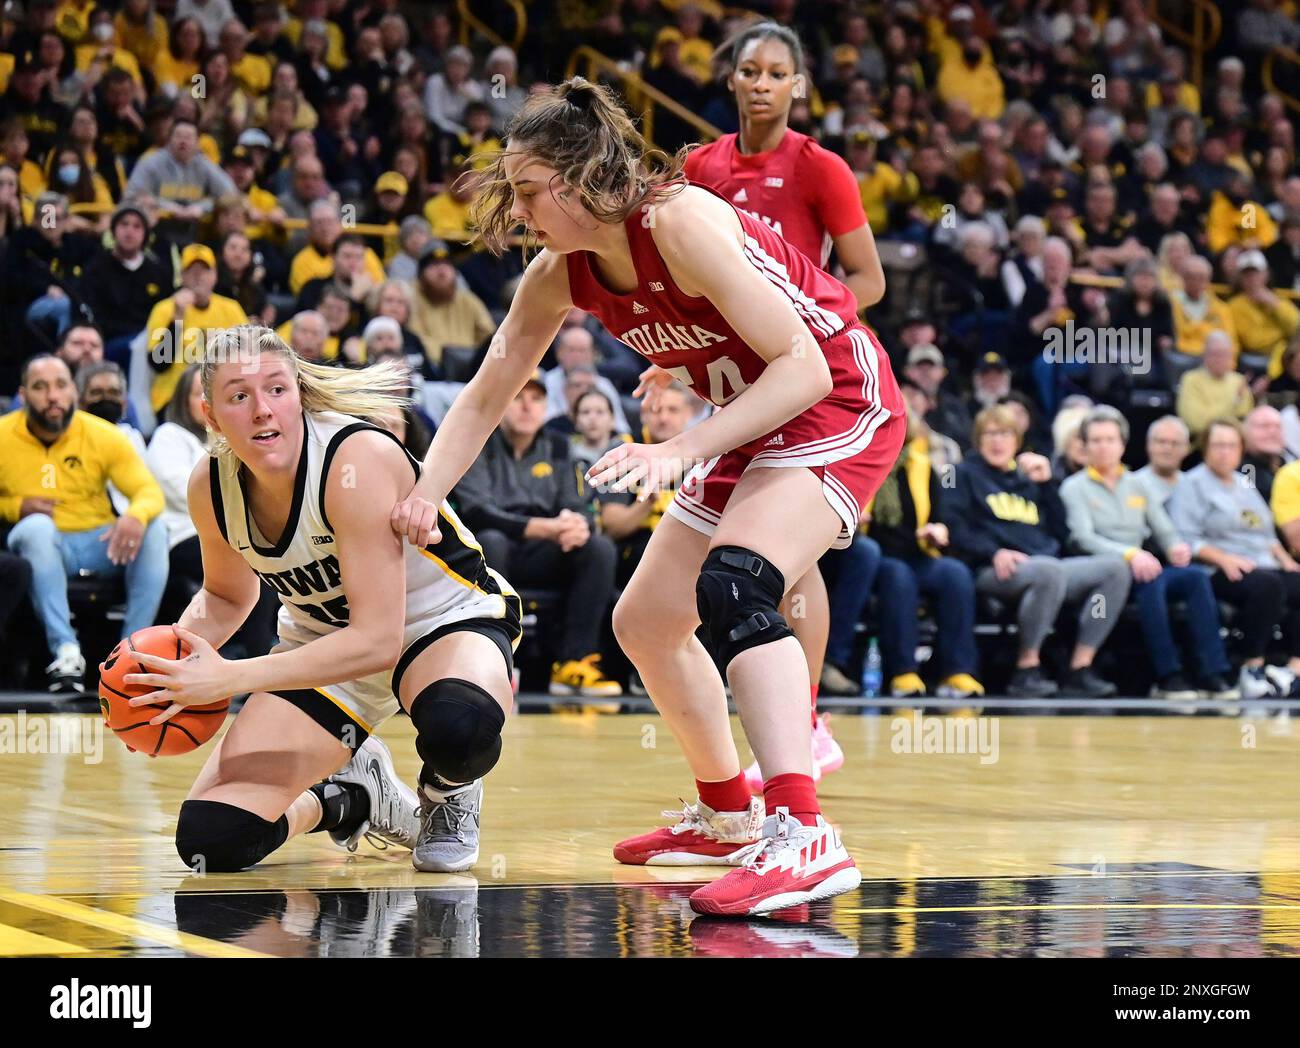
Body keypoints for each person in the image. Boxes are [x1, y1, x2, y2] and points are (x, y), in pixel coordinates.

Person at [390, 79, 905, 916]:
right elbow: (487, 390)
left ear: (582, 177)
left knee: (736, 583)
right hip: (750, 421)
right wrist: (423, 494)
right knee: (647, 622)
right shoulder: (559, 274)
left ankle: (805, 833)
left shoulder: (680, 221)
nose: (519, 213)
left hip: (837, 397)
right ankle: (728, 813)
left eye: (528, 192)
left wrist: (679, 448)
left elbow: (805, 365)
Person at [123, 324, 522, 875]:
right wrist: (159, 670)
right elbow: (223, 595)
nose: (263, 410)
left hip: (439, 623)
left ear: (300, 394)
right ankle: (351, 799)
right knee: (212, 839)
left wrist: (228, 678)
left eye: (277, 389)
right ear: (210, 416)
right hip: (325, 645)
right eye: (239, 395)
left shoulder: (354, 459)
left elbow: (380, 641)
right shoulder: (210, 484)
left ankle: (448, 794)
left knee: (461, 727)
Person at [683, 22, 888, 790]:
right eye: (750, 70)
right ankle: (771, 745)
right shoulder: (699, 166)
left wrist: (811, 326)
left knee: (787, 555)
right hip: (731, 374)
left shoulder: (821, 168)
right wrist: (675, 364)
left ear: (799, 86)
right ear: (731, 79)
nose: (763, 83)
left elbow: (868, 281)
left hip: (800, 371)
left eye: (778, 73)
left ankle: (802, 716)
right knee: (755, 556)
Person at [1, 355, 168, 693]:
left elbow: (148, 490)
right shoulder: (3, 434)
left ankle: (129, 657)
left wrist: (135, 516)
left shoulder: (103, 435)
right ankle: (66, 652)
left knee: (154, 529)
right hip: (42, 543)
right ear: (22, 394)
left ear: (74, 392)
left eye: (61, 385)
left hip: (97, 542)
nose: (52, 396)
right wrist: (15, 506)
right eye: (40, 387)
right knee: (36, 527)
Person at [451, 370, 621, 699]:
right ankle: (490, 661)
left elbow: (574, 503)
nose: (527, 407)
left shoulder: (558, 445)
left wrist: (575, 526)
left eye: (536, 399)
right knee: (492, 541)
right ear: (501, 404)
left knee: (598, 548)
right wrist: (543, 527)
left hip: (544, 549)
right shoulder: (478, 441)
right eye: (518, 398)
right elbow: (475, 511)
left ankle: (575, 663)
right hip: (491, 548)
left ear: (546, 407)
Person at [947, 405, 1130, 699]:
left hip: (1046, 564)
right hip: (993, 568)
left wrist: (1046, 486)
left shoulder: (1029, 481)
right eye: (990, 434)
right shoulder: (962, 474)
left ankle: (1080, 666)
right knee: (1048, 570)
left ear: (1017, 442)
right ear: (978, 440)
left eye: (1005, 434)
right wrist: (994, 552)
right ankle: (1026, 668)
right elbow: (955, 527)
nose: (997, 441)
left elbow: (1061, 532)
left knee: (1116, 569)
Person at [1060, 406, 1238, 702]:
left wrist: (1175, 548)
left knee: (1194, 577)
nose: (1104, 447)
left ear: (1122, 444)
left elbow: (1163, 528)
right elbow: (1082, 538)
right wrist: (1130, 553)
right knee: (1152, 579)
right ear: (1085, 446)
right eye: (1096, 440)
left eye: (1110, 439)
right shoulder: (1074, 487)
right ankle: (1168, 675)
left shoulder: (1137, 484)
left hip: (1143, 565)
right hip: (1106, 570)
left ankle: (1212, 671)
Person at [1170, 418, 1300, 700]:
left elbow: (1266, 533)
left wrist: (1285, 560)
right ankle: (1250, 666)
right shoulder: (1191, 484)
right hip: (1216, 569)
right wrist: (1224, 558)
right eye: (1217, 445)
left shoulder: (1244, 483)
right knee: (1268, 586)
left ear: (1240, 449)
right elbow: (1185, 539)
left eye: (1231, 445)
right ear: (1205, 448)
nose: (1224, 452)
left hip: (1262, 563)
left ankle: (1293, 669)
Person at [864, 410, 985, 700]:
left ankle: (956, 671)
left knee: (955, 574)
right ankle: (903, 671)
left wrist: (936, 531)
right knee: (898, 576)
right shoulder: (865, 463)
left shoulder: (922, 467)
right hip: (878, 556)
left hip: (918, 553)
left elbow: (940, 516)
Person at [598, 380, 692, 588]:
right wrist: (648, 502)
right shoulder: (624, 450)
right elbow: (613, 527)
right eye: (656, 410)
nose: (664, 418)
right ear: (643, 415)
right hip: (636, 549)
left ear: (689, 414)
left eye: (673, 410)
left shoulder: (703, 454)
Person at [144, 243, 248, 413]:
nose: (198, 276)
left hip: (222, 398)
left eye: (205, 270)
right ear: (182, 276)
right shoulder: (164, 309)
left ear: (214, 275)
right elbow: (159, 364)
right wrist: (177, 319)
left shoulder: (231, 309)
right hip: (174, 400)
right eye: (192, 271)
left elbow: (248, 358)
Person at [1176, 329, 1253, 440]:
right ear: (1204, 355)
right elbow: (1196, 423)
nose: (1219, 359)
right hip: (1201, 445)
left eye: (1224, 354)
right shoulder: (1191, 380)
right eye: (1215, 354)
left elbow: (1246, 422)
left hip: (1235, 444)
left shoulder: (1238, 381)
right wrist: (1234, 401)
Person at [1134, 414, 1191, 507]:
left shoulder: (1194, 488)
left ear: (1186, 449)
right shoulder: (1132, 486)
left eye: (1175, 443)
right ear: (1149, 445)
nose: (1167, 448)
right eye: (1161, 441)